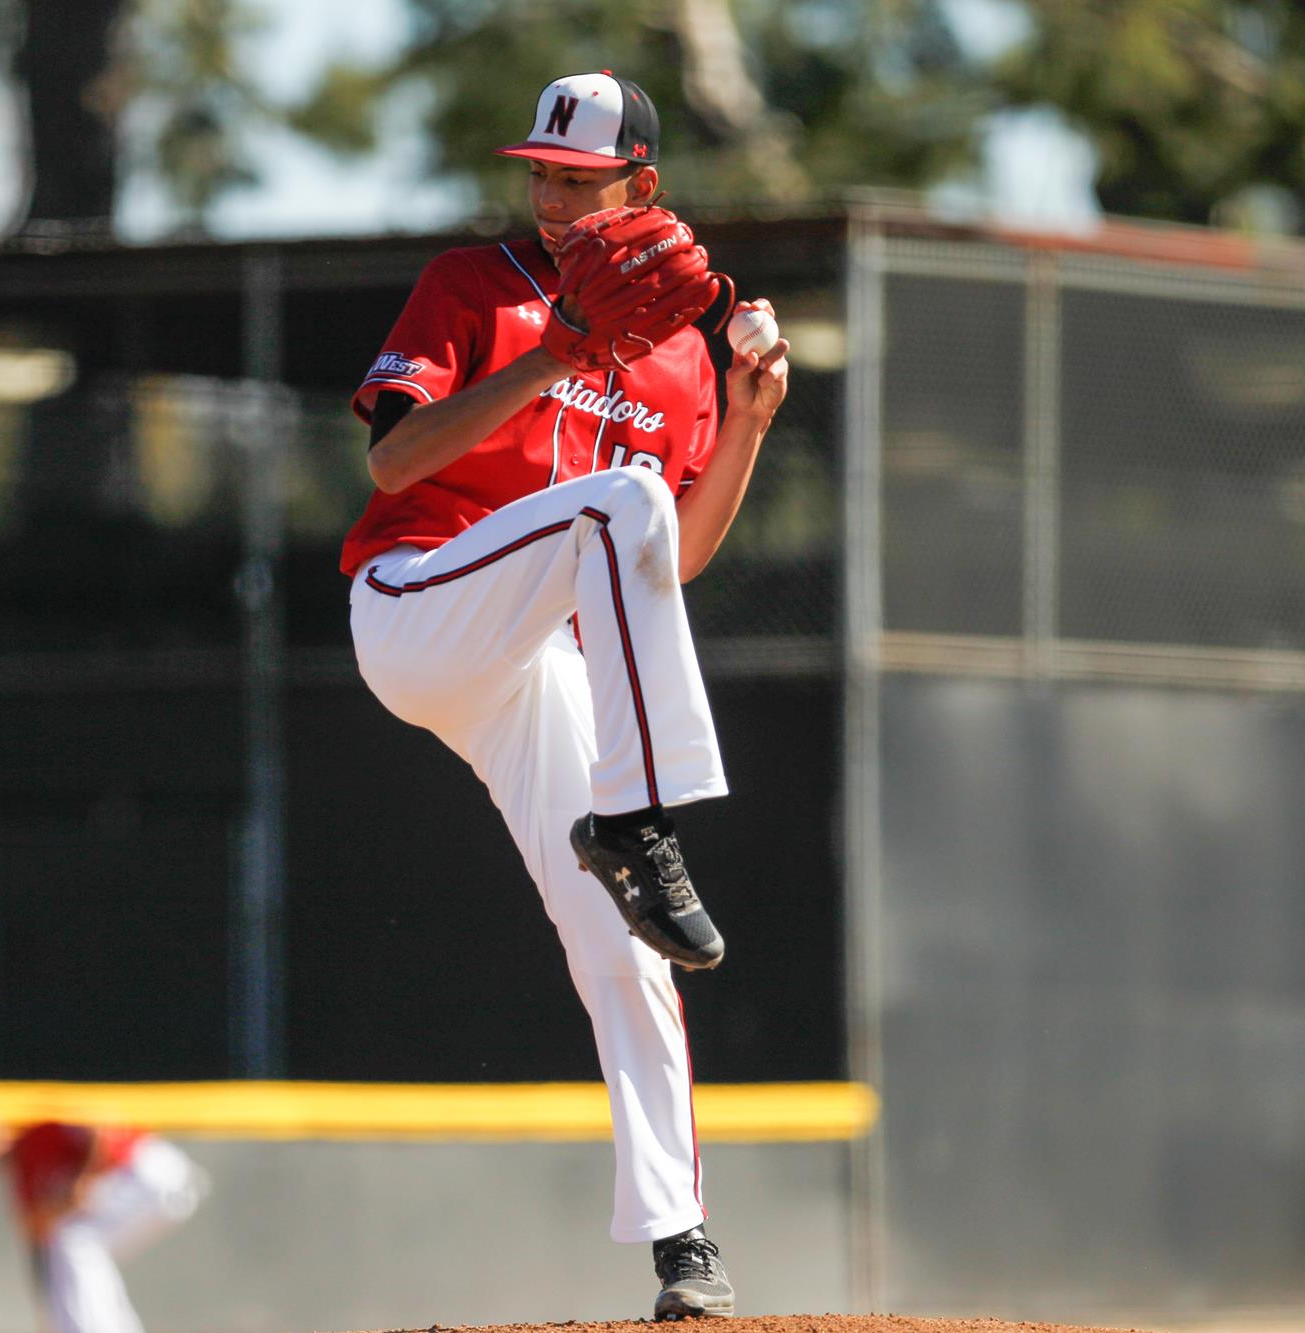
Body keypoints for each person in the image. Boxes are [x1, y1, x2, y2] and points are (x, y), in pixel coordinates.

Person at [341, 69, 790, 1320]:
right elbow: (392, 459)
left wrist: (746, 421)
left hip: (536, 663)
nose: (549, 196)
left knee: (623, 942)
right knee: (619, 498)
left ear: (639, 186)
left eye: (578, 180)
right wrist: (555, 358)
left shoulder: (685, 359)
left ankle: (680, 1241)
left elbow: (673, 561)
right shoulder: (470, 287)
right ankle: (642, 821)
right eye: (539, 172)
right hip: (419, 603)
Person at [0, 1116, 209, 1333]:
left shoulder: (40, 1130)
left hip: (151, 1173)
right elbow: (38, 1230)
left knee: (72, 1241)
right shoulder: (21, 1177)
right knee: (76, 1247)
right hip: (153, 1195)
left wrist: (84, 1178)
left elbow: (100, 1132)